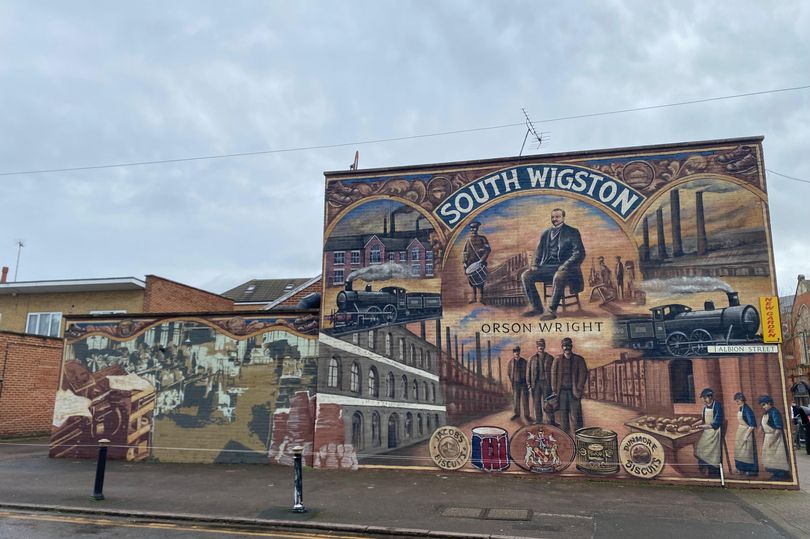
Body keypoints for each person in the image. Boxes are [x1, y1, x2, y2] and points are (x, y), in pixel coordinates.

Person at [521, 208, 585, 320]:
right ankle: (537, 308)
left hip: (567, 269)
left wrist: (566, 264)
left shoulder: (572, 231)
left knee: (559, 276)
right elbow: (539, 251)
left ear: (563, 218)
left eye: (557, 217)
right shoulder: (546, 233)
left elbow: (579, 253)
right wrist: (535, 263)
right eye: (553, 217)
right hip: (548, 267)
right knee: (526, 275)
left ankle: (551, 310)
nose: (554, 219)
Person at [550, 337, 588, 433]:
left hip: (574, 392)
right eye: (564, 346)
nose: (566, 348)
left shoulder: (579, 359)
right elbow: (553, 375)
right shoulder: (557, 359)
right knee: (563, 416)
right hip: (561, 392)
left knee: (576, 416)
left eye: (568, 346)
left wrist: (579, 388)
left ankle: (579, 438)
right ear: (562, 347)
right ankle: (566, 438)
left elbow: (583, 374)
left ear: (571, 346)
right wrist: (554, 390)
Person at [758, 395, 790, 480]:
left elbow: (778, 428)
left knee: (777, 456)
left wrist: (773, 440)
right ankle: (776, 473)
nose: (763, 407)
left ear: (769, 403)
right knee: (769, 457)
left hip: (776, 438)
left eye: (764, 405)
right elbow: (763, 424)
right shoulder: (766, 413)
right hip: (768, 437)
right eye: (762, 405)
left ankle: (781, 474)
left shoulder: (774, 412)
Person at [694, 387, 723, 478]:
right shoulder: (705, 407)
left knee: (711, 452)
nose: (704, 400)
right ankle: (703, 468)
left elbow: (716, 423)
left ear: (710, 397)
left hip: (714, 432)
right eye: (703, 398)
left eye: (705, 398)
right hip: (707, 431)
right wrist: (694, 424)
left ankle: (713, 472)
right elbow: (703, 420)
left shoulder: (717, 406)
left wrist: (703, 426)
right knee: (699, 448)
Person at [527, 338, 556, 426]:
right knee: (537, 402)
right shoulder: (531, 359)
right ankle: (539, 420)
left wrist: (553, 384)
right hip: (535, 384)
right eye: (539, 346)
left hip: (547, 383)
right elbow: (528, 372)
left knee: (548, 402)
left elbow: (554, 371)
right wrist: (529, 384)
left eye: (542, 345)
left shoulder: (550, 358)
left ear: (544, 346)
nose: (541, 347)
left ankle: (551, 420)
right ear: (537, 347)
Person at [462, 221, 491, 304]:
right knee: (472, 281)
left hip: (480, 262)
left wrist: (482, 260)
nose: (473, 230)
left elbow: (488, 250)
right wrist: (464, 262)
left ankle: (482, 298)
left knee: (481, 281)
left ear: (477, 229)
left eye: (474, 228)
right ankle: (474, 298)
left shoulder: (482, 239)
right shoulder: (468, 240)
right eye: (471, 229)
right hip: (470, 263)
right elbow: (464, 252)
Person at [733, 392, 758, 476]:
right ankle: (740, 469)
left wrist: (746, 436)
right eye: (736, 401)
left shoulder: (747, 409)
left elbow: (752, 425)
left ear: (742, 399)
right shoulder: (741, 408)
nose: (737, 402)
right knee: (739, 451)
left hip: (747, 432)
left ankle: (750, 470)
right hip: (740, 431)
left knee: (747, 452)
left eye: (738, 400)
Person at [507, 346, 531, 422]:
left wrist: (527, 382)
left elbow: (528, 372)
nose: (516, 353)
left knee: (525, 399)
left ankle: (527, 415)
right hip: (515, 383)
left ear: (519, 352)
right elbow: (509, 372)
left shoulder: (524, 361)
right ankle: (517, 414)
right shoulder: (511, 362)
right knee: (516, 399)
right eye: (515, 352)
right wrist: (512, 381)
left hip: (524, 383)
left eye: (517, 351)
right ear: (513, 353)